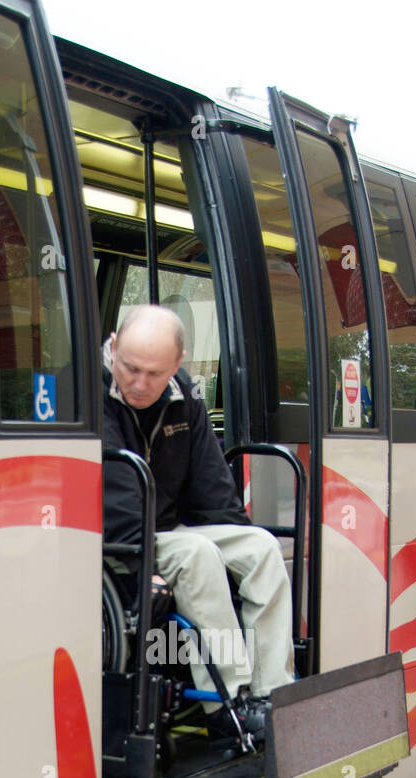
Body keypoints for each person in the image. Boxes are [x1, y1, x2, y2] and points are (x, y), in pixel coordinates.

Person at [103, 303, 294, 752]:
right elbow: (115, 499)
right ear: (113, 347)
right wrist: (144, 562)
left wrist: (234, 540)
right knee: (196, 554)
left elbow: (211, 486)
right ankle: (229, 701)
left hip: (166, 529)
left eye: (154, 374)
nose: (139, 383)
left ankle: (272, 693)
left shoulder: (183, 397)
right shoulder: (87, 395)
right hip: (115, 536)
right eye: (130, 368)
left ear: (177, 365)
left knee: (260, 548)